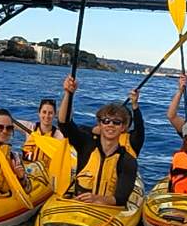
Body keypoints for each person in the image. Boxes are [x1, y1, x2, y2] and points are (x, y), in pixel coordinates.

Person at [58, 75, 139, 209]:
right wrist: (68, 93)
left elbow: (121, 198)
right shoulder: (86, 145)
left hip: (107, 211)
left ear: (123, 128)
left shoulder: (128, 161)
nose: (110, 125)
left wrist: (98, 199)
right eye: (106, 121)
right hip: (77, 208)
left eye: (116, 122)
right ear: (99, 125)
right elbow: (64, 124)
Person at [21, 97, 65, 164]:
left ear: (55, 115)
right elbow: (11, 122)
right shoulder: (30, 128)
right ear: (39, 113)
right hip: (27, 171)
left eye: (50, 113)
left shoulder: (59, 136)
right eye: (44, 112)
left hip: (45, 173)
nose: (47, 116)